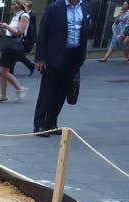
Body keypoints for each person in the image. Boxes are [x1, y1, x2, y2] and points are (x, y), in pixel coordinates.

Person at [33, 0, 90, 137]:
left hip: (74, 56)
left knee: (62, 92)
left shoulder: (85, 7)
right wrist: (40, 58)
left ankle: (51, 123)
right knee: (47, 91)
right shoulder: (54, 8)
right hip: (55, 55)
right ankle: (40, 125)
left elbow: (85, 31)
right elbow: (43, 34)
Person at [0, 0, 30, 104]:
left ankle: (19, 88)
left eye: (13, 4)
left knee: (3, 71)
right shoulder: (16, 16)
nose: (11, 6)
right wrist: (4, 28)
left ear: (18, 5)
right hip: (9, 44)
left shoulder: (24, 16)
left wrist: (6, 26)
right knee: (2, 71)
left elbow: (19, 33)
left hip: (13, 46)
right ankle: (3, 96)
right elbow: (12, 32)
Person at [13, 1, 37, 75]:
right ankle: (31, 66)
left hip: (26, 38)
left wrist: (34, 40)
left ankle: (10, 71)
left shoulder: (32, 16)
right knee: (18, 54)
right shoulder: (21, 14)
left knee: (17, 54)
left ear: (29, 6)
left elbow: (33, 29)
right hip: (20, 37)